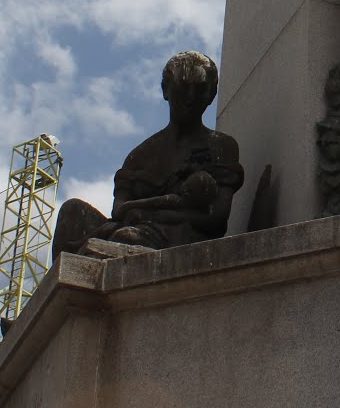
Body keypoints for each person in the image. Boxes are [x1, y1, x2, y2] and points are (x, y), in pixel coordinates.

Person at [51, 51, 244, 257]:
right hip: (129, 228)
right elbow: (118, 211)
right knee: (72, 213)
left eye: (199, 90)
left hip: (180, 237)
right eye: (183, 88)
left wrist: (148, 215)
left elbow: (217, 218)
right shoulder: (140, 156)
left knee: (127, 237)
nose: (190, 98)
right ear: (166, 90)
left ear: (211, 95)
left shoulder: (221, 146)